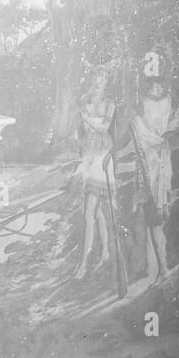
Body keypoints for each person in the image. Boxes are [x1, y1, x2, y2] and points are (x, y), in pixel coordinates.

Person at [131, 76, 179, 284]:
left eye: (160, 85)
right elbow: (136, 134)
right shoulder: (138, 118)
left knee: (156, 221)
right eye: (153, 85)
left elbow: (178, 119)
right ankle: (152, 268)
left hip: (160, 170)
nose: (157, 88)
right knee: (146, 220)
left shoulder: (168, 106)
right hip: (145, 171)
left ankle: (162, 268)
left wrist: (164, 136)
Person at [75, 66, 116, 279]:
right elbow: (82, 130)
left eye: (104, 77)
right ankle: (106, 252)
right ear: (92, 78)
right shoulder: (85, 99)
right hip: (88, 155)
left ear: (107, 80)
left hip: (102, 156)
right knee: (97, 211)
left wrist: (89, 121)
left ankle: (84, 262)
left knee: (89, 211)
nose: (100, 80)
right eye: (98, 76)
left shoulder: (109, 103)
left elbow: (104, 128)